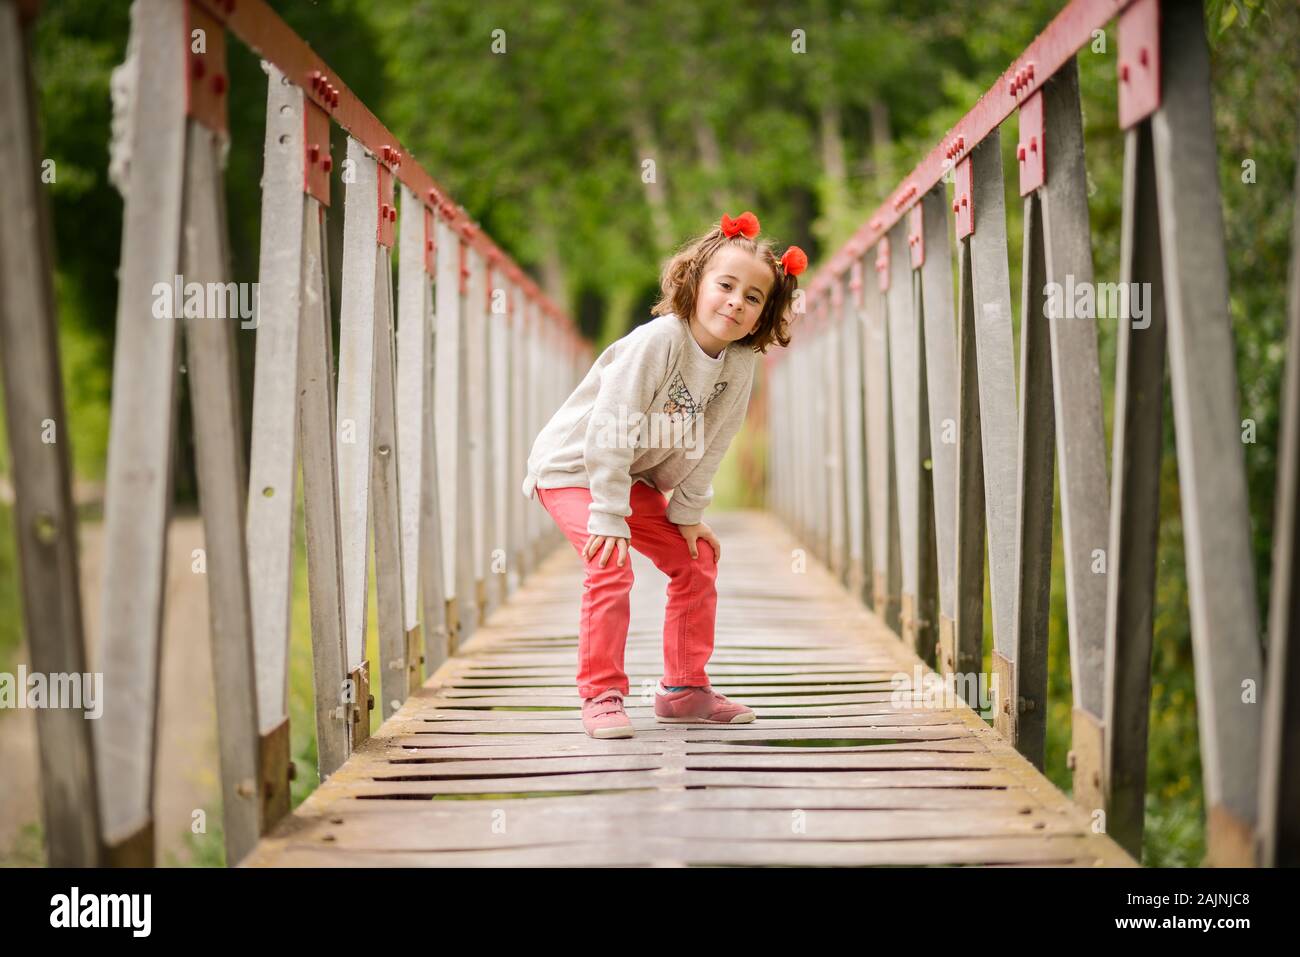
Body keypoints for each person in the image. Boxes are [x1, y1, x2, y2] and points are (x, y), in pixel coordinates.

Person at [521, 211, 806, 738]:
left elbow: (717, 441)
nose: (735, 303)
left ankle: (683, 690)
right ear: (695, 283)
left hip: (630, 477)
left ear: (765, 313)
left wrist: (688, 514)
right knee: (610, 562)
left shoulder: (740, 364)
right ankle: (601, 693)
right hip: (574, 466)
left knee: (696, 560)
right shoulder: (660, 341)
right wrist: (609, 514)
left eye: (753, 297)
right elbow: (609, 427)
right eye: (725, 286)